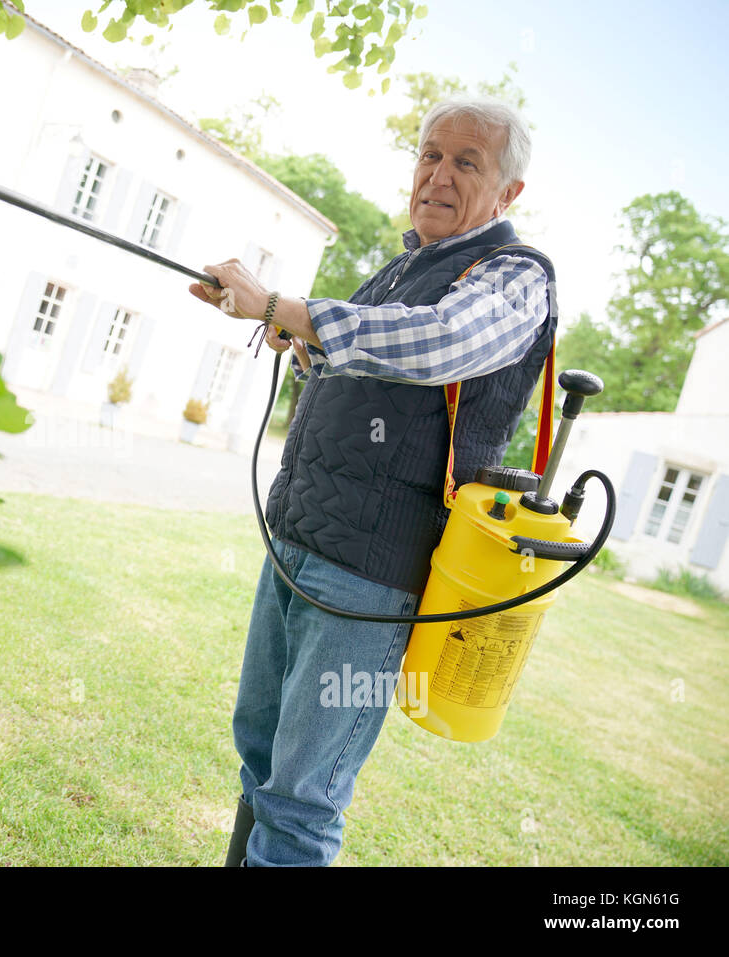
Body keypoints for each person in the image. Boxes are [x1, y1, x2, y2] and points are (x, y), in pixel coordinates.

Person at [186, 95, 557, 867]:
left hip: (372, 577)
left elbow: (442, 343)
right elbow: (351, 363)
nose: (438, 175)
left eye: (466, 162)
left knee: (302, 796)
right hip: (299, 539)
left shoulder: (517, 276)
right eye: (429, 155)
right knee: (260, 758)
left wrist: (289, 305)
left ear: (509, 192)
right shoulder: (403, 263)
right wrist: (272, 320)